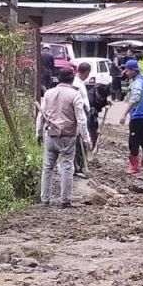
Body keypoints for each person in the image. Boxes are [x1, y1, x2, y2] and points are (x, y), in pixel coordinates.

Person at [35, 67, 92, 208]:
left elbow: (41, 115)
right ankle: (65, 200)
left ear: (58, 79)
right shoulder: (74, 95)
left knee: (47, 168)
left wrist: (38, 133)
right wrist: (87, 139)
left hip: (50, 135)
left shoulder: (48, 93)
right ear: (72, 79)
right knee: (67, 167)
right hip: (68, 136)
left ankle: (45, 200)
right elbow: (81, 119)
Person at [119, 59, 143, 174]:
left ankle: (134, 166)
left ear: (133, 71)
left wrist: (124, 114)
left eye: (127, 70)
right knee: (142, 139)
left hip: (138, 115)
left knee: (133, 140)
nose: (125, 72)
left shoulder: (138, 83)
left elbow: (134, 99)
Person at [72, 63, 93, 178]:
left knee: (82, 142)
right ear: (86, 72)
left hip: (85, 113)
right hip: (80, 114)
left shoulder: (80, 83)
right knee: (79, 142)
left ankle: (79, 166)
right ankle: (77, 167)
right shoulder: (76, 84)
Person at [86, 84, 112, 153]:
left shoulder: (103, 93)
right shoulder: (90, 98)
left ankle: (93, 149)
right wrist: (96, 128)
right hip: (87, 117)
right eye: (100, 97)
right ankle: (89, 150)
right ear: (97, 92)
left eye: (103, 98)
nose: (102, 99)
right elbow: (90, 118)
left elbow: (103, 102)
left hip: (94, 115)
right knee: (90, 133)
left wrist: (106, 103)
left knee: (95, 134)